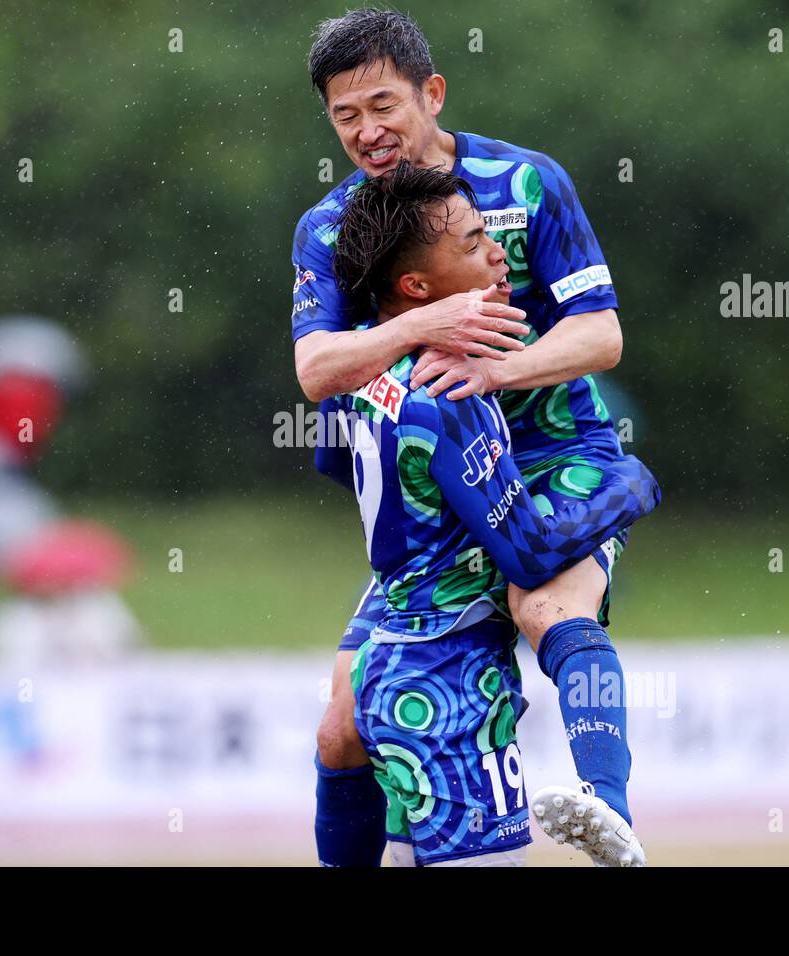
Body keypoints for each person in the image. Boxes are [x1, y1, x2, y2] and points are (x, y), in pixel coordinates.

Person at [293, 10, 653, 866]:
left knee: (543, 602)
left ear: (433, 93)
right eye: (346, 117)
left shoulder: (528, 185)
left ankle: (609, 811)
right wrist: (429, 324)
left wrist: (494, 370)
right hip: (437, 480)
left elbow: (600, 336)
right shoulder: (330, 225)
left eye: (383, 105)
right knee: (342, 725)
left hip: (556, 454)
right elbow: (317, 371)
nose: (368, 131)